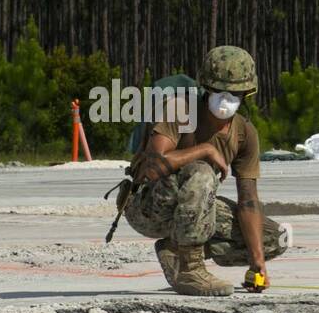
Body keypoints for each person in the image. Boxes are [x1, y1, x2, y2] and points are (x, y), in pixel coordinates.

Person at [123, 46, 287, 296]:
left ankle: (175, 250)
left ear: (247, 94)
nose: (226, 99)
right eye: (219, 91)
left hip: (193, 206)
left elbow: (249, 201)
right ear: (206, 88)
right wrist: (204, 150)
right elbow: (153, 168)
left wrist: (258, 262)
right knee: (201, 171)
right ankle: (190, 270)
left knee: (273, 239)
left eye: (234, 93)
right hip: (148, 206)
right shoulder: (180, 109)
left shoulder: (244, 133)